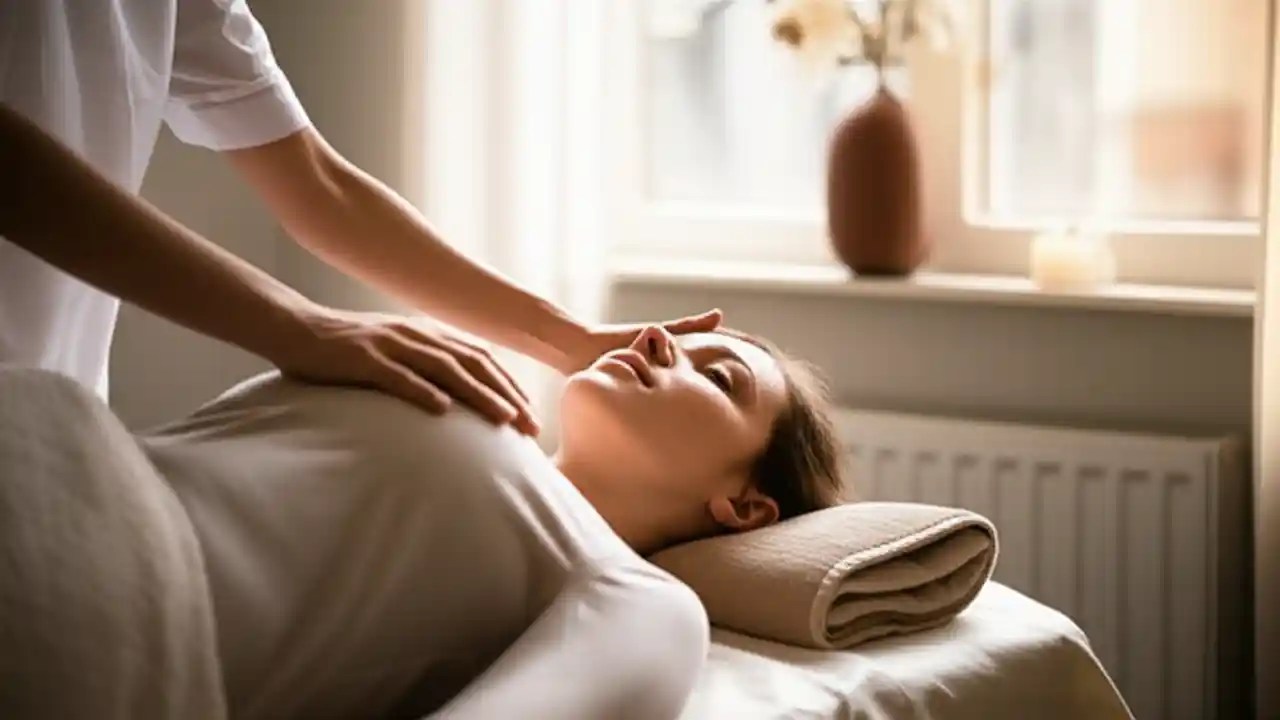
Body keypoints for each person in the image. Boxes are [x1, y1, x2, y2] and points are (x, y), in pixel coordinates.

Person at [0, 325, 844, 719]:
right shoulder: (448, 382)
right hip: (45, 448)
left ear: (744, 507)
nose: (661, 336)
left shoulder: (642, 599)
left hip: (87, 609)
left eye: (719, 375)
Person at [0, 1, 719, 435]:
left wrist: (567, 340)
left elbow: (317, 184)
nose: (662, 346)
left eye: (721, 379)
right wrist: (301, 325)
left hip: (53, 439)